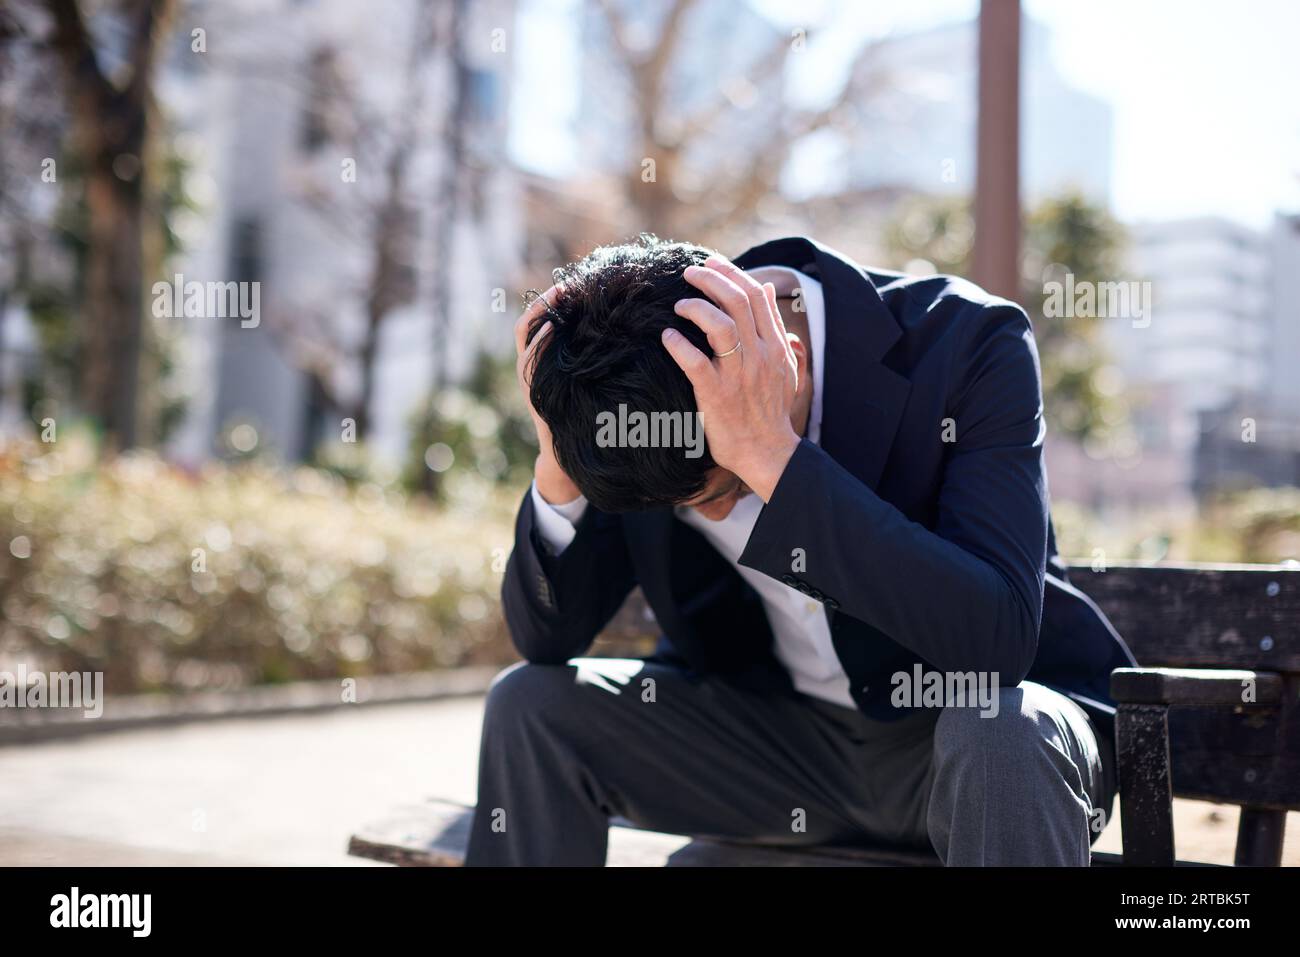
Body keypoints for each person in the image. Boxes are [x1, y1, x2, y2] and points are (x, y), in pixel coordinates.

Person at [466, 235, 1136, 866]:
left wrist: (771, 459)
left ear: (789, 360)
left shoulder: (966, 341)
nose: (710, 514)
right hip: (778, 754)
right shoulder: (643, 387)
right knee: (531, 706)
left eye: (721, 489)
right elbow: (548, 639)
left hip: (962, 753)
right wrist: (559, 465)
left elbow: (996, 641)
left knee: (1004, 729)